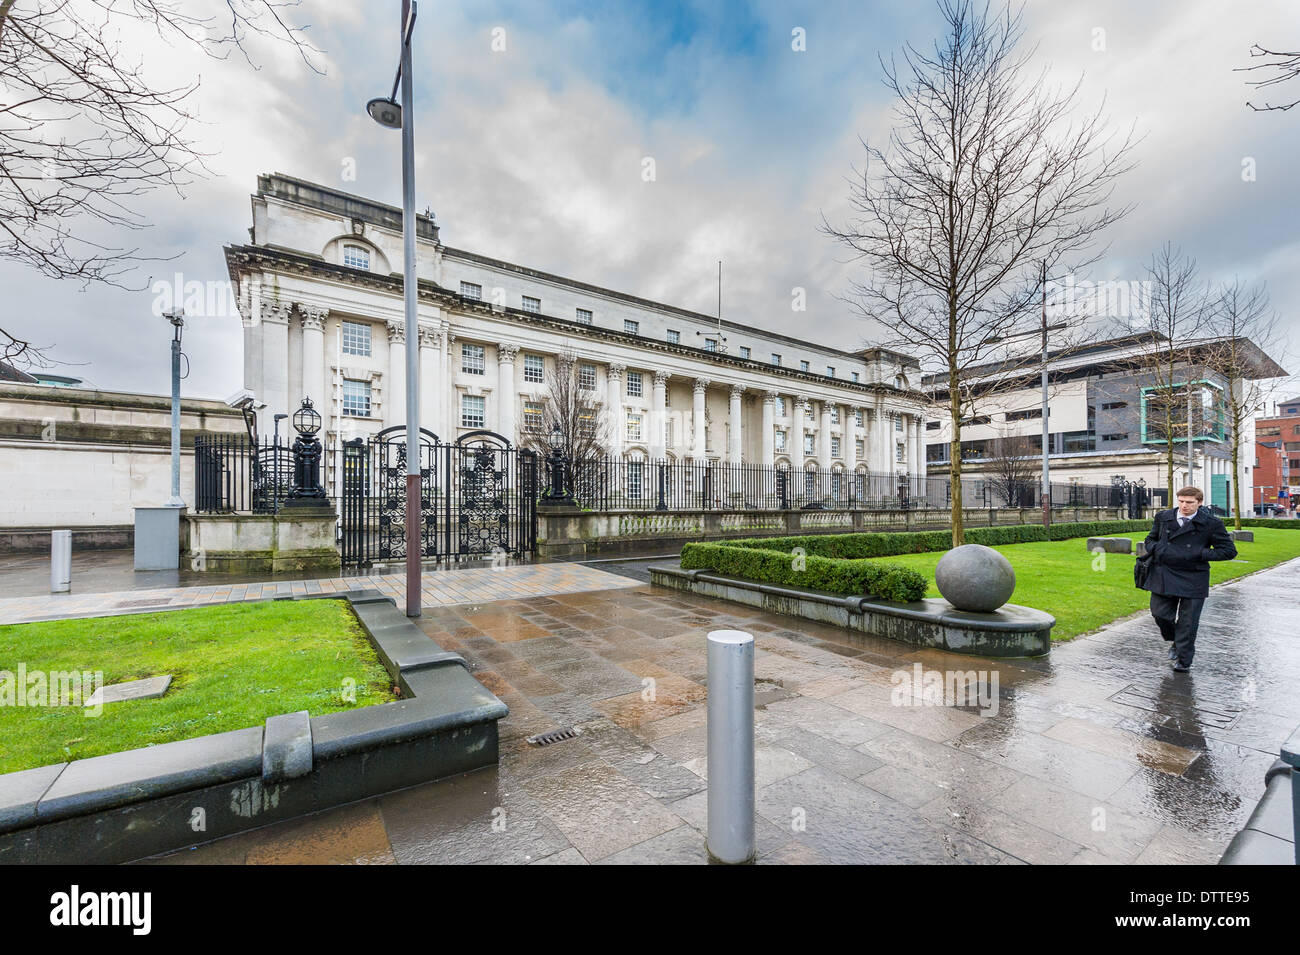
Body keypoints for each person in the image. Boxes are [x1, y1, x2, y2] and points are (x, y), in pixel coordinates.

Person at [1140, 486, 1236, 672]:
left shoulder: (1211, 523)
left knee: (1188, 622)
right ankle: (1176, 641)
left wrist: (1199, 553)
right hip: (1164, 573)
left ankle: (1184, 660)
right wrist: (1159, 549)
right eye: (1181, 501)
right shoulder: (1163, 517)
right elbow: (1150, 540)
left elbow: (1229, 551)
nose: (1184, 506)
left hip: (1194, 575)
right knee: (1160, 614)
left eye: (1189, 503)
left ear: (1199, 503)